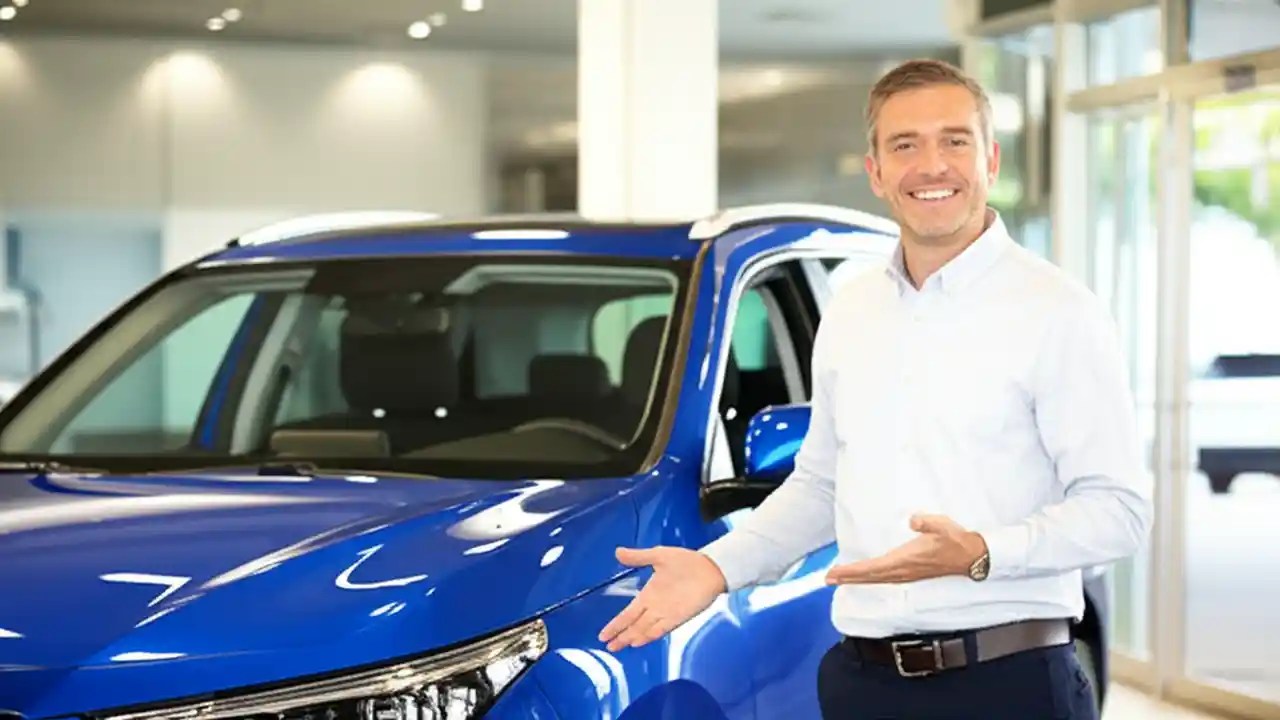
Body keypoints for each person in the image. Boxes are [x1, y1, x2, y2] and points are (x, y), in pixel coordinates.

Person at [597, 58, 1154, 719]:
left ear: (990, 160)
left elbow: (1121, 511)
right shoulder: (852, 312)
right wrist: (717, 568)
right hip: (864, 685)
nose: (932, 165)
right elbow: (819, 487)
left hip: (1007, 684)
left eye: (955, 140)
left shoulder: (1058, 311)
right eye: (905, 145)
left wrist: (981, 552)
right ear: (877, 172)